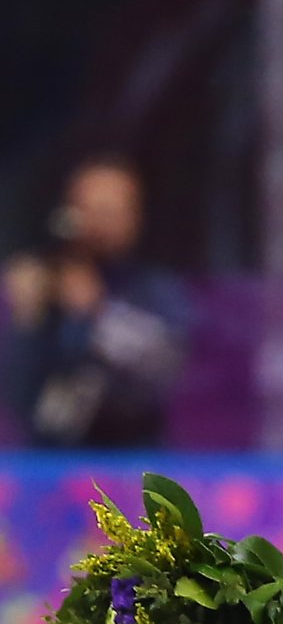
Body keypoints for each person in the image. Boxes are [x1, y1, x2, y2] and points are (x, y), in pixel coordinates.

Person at [1, 156, 186, 448]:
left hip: (134, 457)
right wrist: (27, 317)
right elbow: (19, 393)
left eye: (111, 211)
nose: (100, 223)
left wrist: (97, 313)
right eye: (90, 209)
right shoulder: (46, 283)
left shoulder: (156, 292)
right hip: (49, 460)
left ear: (135, 217)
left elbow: (165, 369)